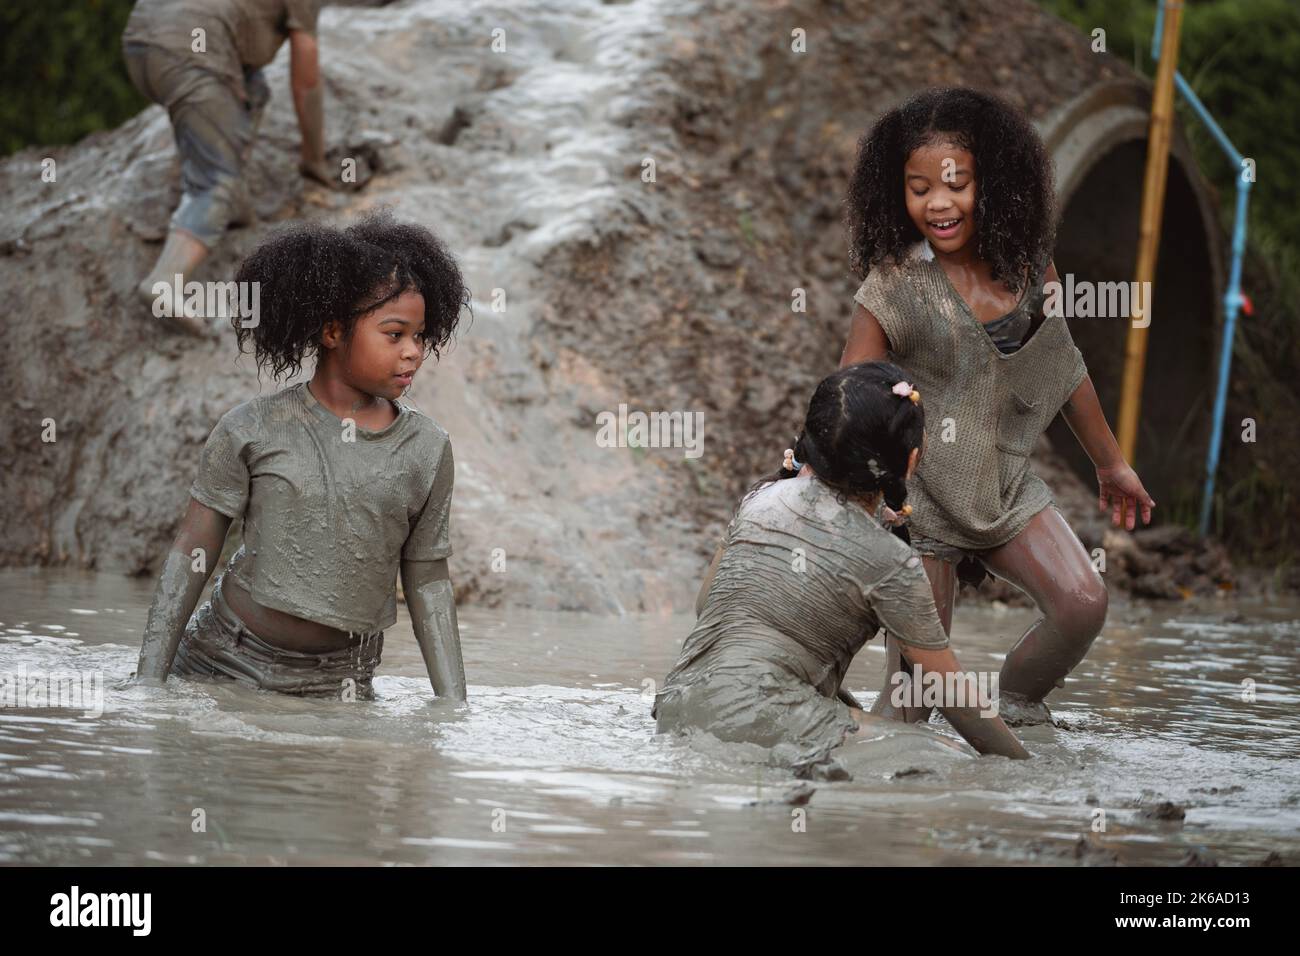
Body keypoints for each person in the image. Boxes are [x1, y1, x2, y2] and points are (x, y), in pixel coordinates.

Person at [840, 87, 1156, 726]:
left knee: (1081, 603)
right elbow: (849, 394)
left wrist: (1112, 465)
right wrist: (831, 487)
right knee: (914, 700)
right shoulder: (894, 286)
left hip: (1003, 483)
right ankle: (868, 796)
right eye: (919, 187)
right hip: (921, 500)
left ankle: (1015, 707)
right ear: (896, 195)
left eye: (957, 183)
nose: (939, 202)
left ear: (994, 183)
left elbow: (1063, 370)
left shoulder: (1029, 268)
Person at [134, 211, 471, 701]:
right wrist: (148, 682)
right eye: (395, 334)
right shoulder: (252, 427)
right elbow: (191, 554)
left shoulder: (427, 449)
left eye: (420, 336)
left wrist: (453, 707)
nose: (414, 352)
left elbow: (429, 580)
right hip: (221, 662)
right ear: (332, 332)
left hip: (340, 682)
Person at [654, 363, 1029, 778]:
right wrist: (1028, 770)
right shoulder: (889, 559)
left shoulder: (761, 498)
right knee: (939, 754)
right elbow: (953, 695)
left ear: (811, 442)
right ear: (911, 461)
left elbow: (706, 605)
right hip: (753, 717)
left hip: (676, 705)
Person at [122, 0, 333, 335]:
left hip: (140, 44)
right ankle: (165, 281)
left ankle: (232, 200)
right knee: (214, 180)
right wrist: (314, 159)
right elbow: (305, 84)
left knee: (253, 90)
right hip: (190, 51)